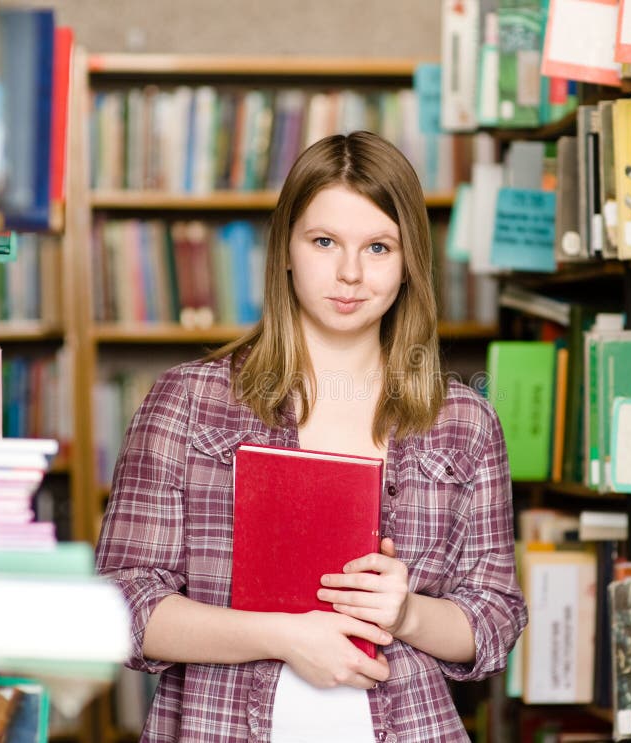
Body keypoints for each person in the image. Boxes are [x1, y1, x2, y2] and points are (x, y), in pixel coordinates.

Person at [95, 130, 527, 742]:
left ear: (409, 266)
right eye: (325, 241)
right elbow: (122, 604)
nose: (350, 273)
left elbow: (494, 618)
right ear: (287, 251)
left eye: (378, 247)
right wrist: (281, 636)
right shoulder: (188, 403)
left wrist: (406, 614)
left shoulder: (463, 420)